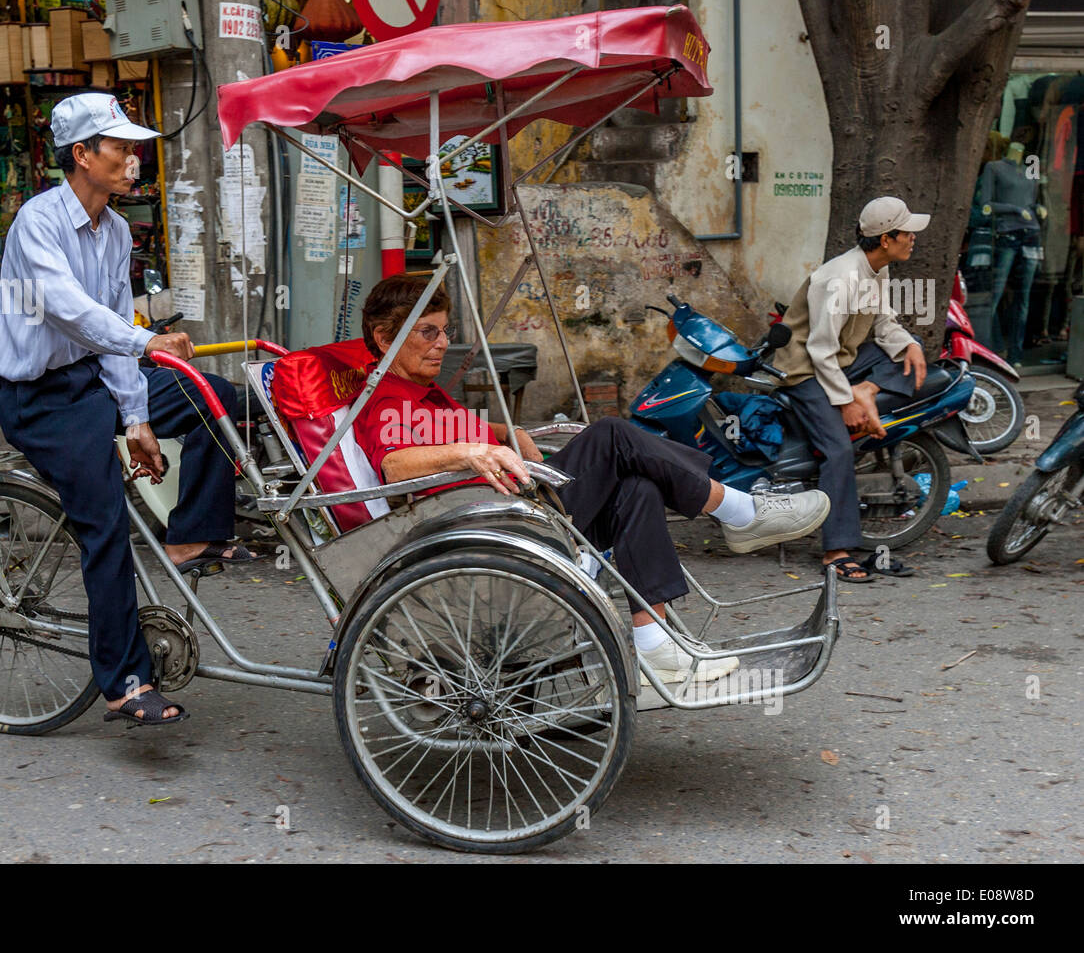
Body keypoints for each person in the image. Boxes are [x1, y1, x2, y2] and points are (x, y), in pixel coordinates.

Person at [350, 276, 830, 693]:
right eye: (427, 333)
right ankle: (739, 512)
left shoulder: (422, 392)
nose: (441, 343)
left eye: (445, 331)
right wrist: (471, 452)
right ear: (385, 337)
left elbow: (450, 431)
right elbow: (395, 465)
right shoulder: (386, 397)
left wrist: (503, 433)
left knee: (637, 488)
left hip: (514, 503)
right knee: (611, 433)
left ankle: (654, 642)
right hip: (492, 522)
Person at [0, 93, 247, 727]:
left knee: (214, 395)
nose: (134, 160)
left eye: (135, 149)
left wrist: (137, 419)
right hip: (41, 401)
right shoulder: (37, 223)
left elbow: (109, 337)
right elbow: (72, 310)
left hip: (94, 381)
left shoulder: (117, 230)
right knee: (104, 523)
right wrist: (145, 339)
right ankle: (124, 683)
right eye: (121, 148)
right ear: (82, 155)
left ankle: (189, 536)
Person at [769, 196, 931, 583]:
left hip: (845, 361)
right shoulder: (839, 278)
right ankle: (836, 552)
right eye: (907, 232)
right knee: (838, 449)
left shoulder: (878, 269)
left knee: (916, 362)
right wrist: (843, 402)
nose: (913, 238)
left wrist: (909, 343)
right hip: (806, 371)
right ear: (886, 238)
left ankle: (868, 391)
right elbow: (818, 349)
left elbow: (885, 324)